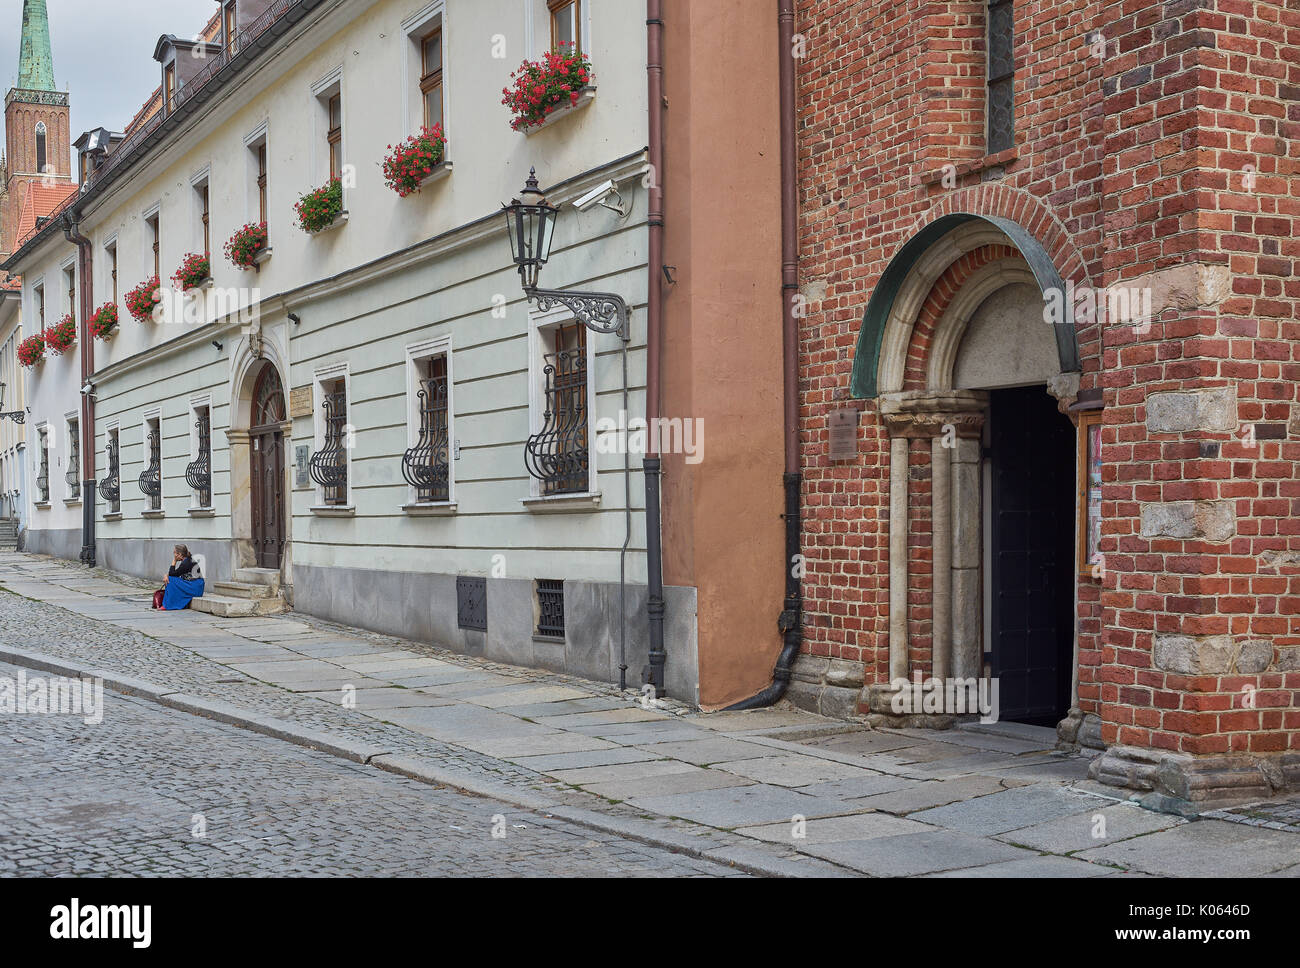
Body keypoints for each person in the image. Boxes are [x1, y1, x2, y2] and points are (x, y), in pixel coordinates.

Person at [160, 544, 205, 610]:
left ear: (180, 554)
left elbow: (172, 574)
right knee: (171, 579)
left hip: (195, 587)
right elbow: (175, 574)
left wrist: (174, 561)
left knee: (170, 580)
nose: (174, 555)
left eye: (174, 553)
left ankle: (168, 605)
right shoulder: (188, 560)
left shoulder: (185, 563)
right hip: (196, 586)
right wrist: (167, 575)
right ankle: (169, 603)